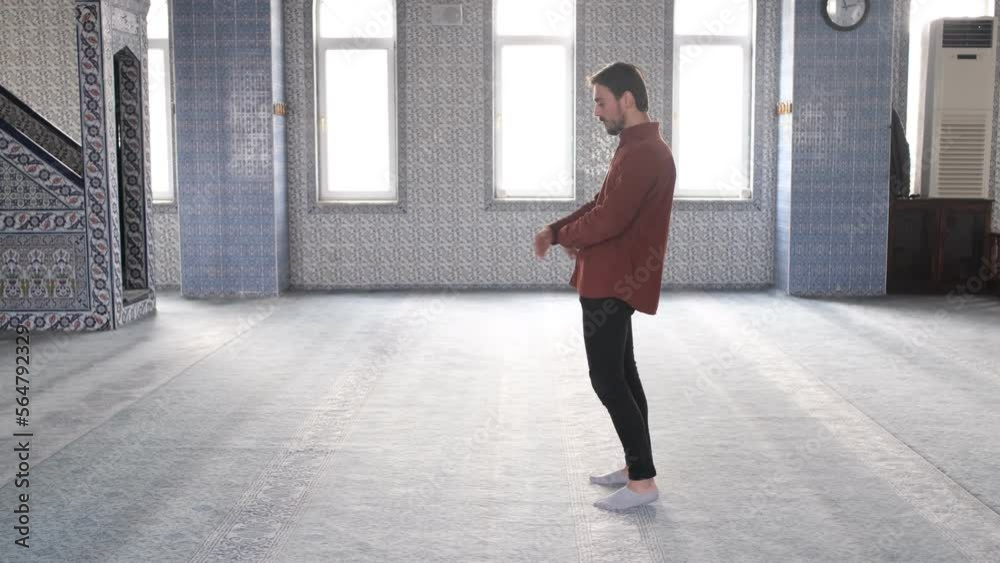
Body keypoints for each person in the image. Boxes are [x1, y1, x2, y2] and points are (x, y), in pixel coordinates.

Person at [533, 62, 676, 511]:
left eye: (600, 101)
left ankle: (642, 482)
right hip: (612, 274)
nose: (596, 111)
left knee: (607, 378)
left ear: (626, 99)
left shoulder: (645, 154)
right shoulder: (635, 147)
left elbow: (610, 219)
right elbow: (603, 203)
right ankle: (637, 467)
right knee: (623, 373)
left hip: (613, 279)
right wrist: (557, 229)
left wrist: (564, 237)